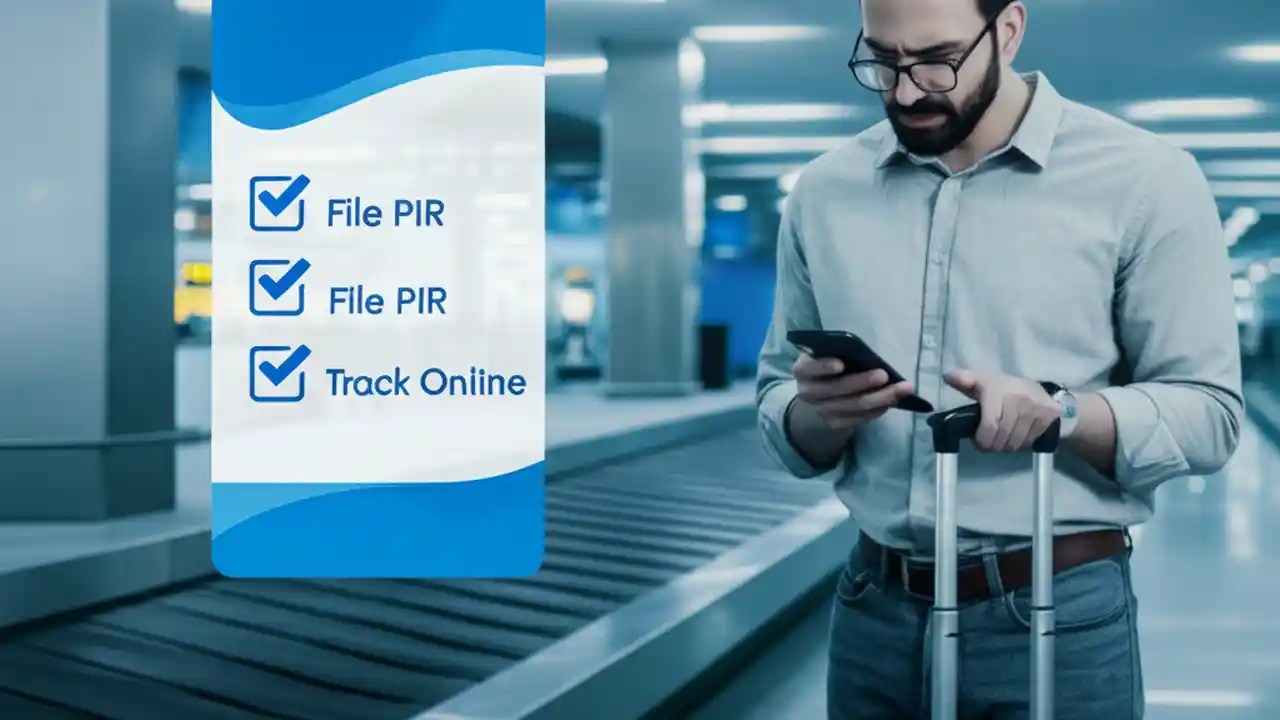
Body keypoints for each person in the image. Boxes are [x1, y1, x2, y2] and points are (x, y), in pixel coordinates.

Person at [754, 0, 1244, 717]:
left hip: (1054, 610)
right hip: (872, 609)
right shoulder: (826, 191)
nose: (907, 90)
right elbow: (777, 404)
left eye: (936, 60)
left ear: (1008, 31)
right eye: (882, 61)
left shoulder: (1145, 179)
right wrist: (817, 416)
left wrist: (1062, 412)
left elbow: (1211, 415)